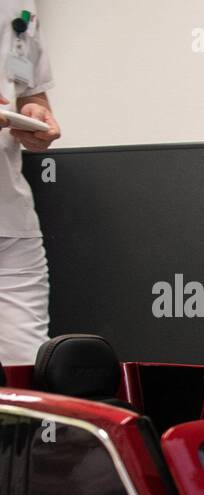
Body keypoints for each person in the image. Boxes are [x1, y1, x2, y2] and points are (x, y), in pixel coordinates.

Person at [0, 5, 59, 369]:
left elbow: (30, 94)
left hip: (10, 223)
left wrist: (35, 117)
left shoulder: (21, 4)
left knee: (27, 375)